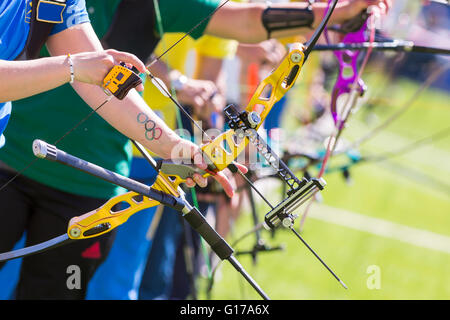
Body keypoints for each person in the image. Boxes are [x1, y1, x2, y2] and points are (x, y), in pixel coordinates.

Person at [0, 0, 391, 299]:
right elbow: (81, 68)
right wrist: (73, 66)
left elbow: (99, 77)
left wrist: (178, 147)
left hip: (84, 184)